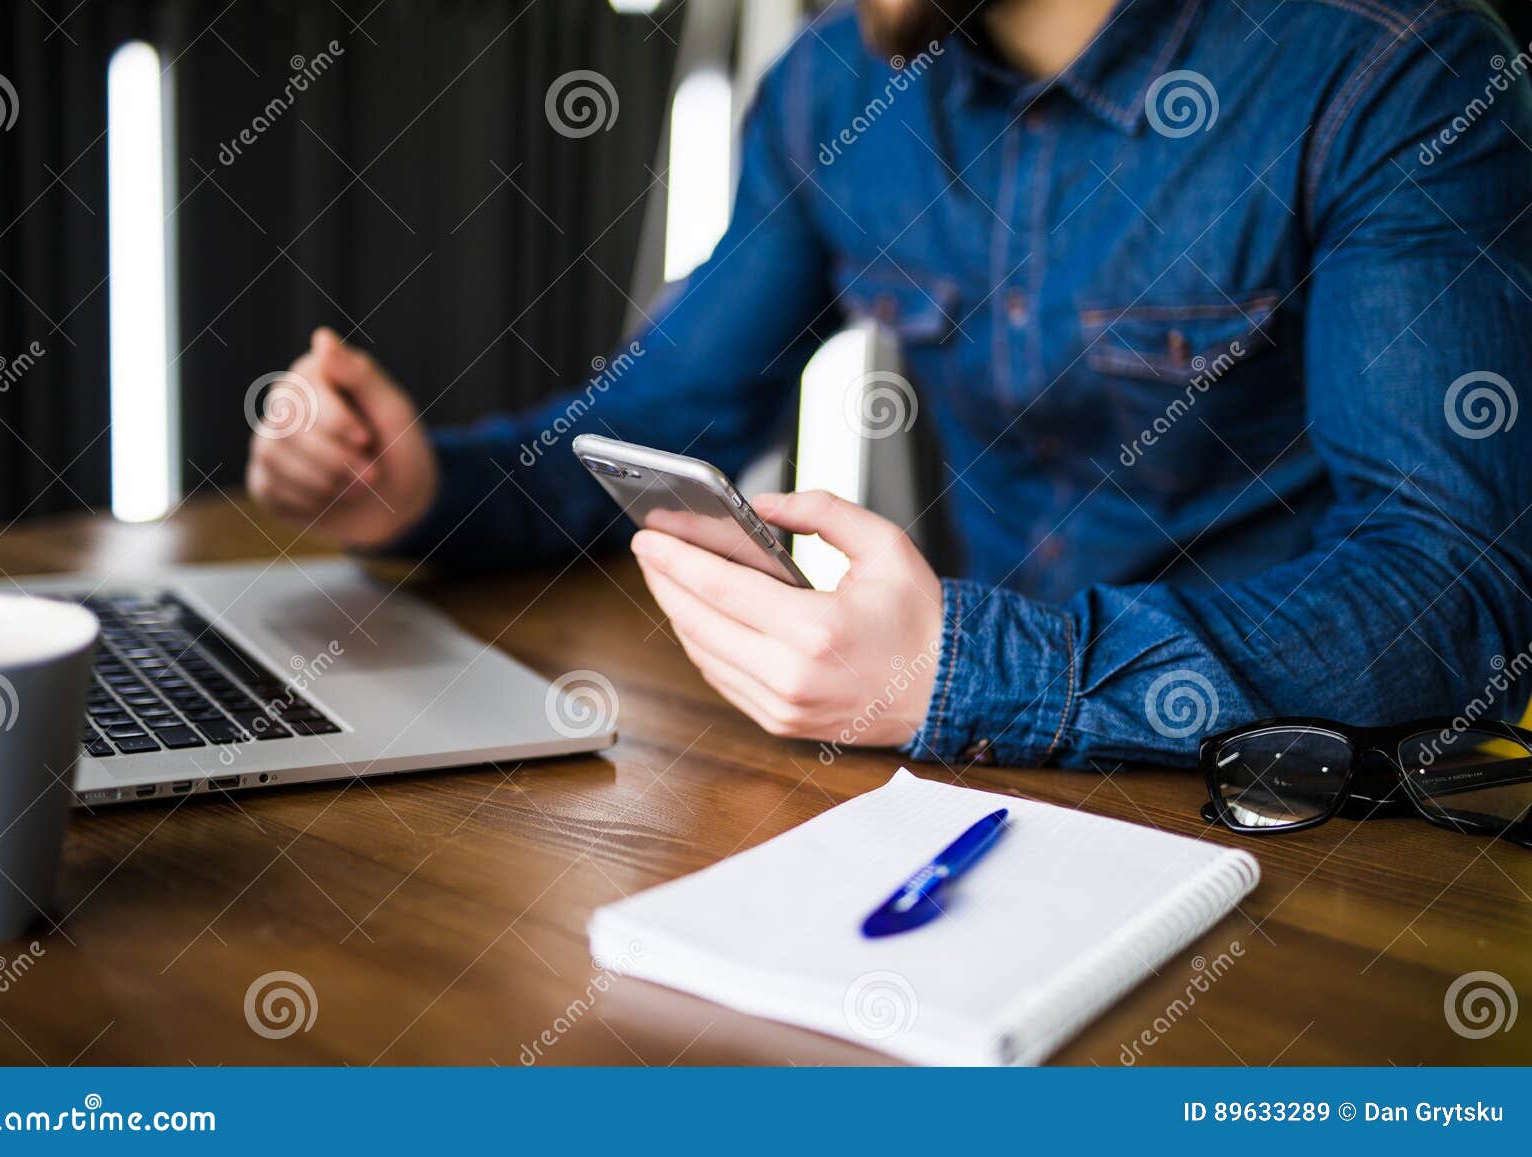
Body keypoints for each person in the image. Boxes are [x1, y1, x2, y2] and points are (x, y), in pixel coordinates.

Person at [247, 0, 1532, 769]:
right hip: (990, 782)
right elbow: (664, 413)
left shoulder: (1396, 74)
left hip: (1322, 811)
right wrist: (420, 488)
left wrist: (961, 670)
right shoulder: (835, 88)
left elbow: (1453, 587)